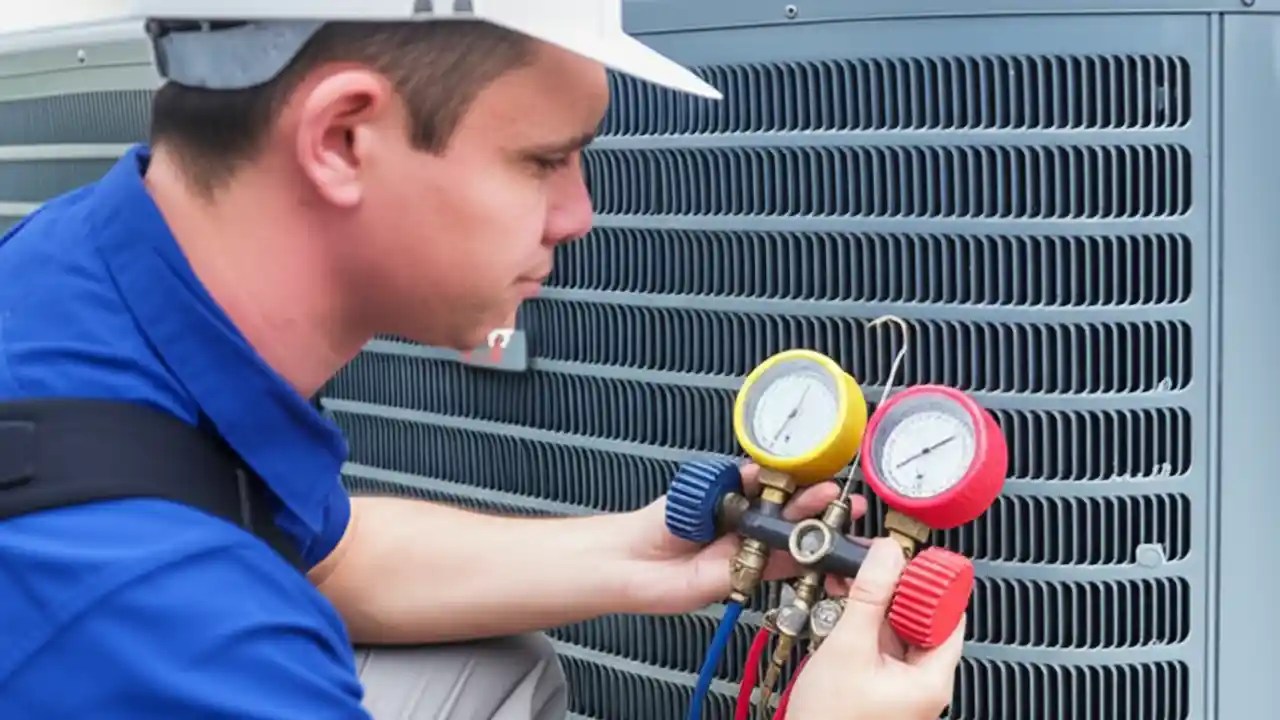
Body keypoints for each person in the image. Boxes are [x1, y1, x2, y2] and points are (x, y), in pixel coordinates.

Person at [0, 4, 964, 719]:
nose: (579, 214)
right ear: (341, 137)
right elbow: (213, 605)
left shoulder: (75, 268)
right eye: (543, 160)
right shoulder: (177, 636)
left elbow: (324, 556)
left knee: (490, 675)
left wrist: (652, 559)